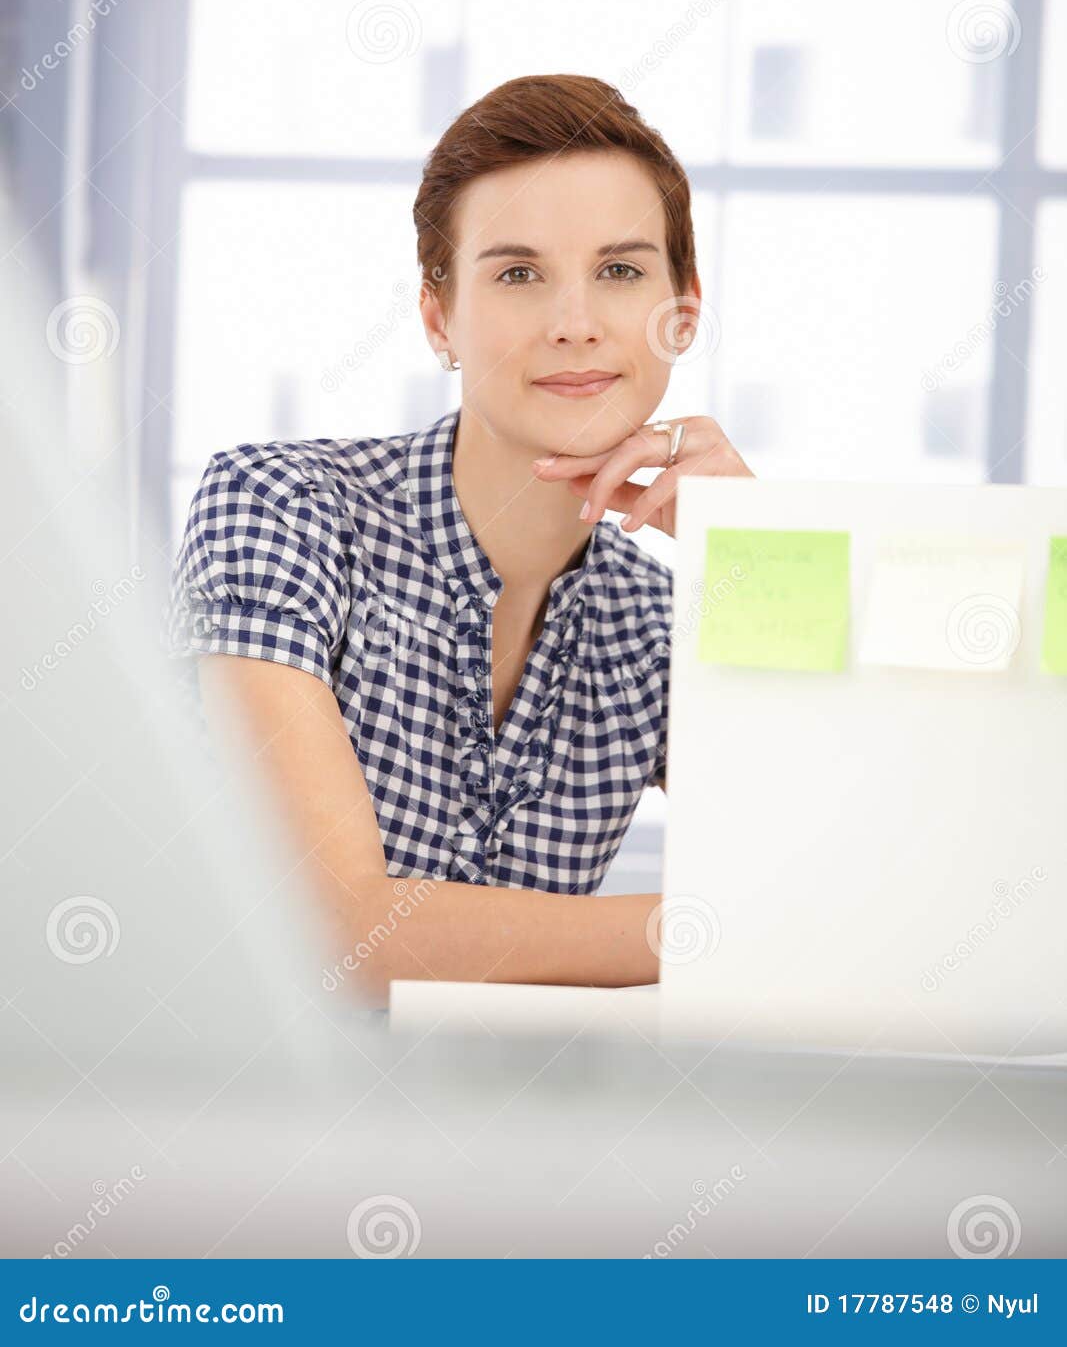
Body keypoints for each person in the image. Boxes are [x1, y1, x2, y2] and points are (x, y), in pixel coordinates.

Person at [161, 73, 753, 1009]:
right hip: (225, 1119)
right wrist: (720, 932)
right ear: (440, 318)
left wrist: (759, 555)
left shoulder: (653, 618)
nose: (575, 324)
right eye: (517, 274)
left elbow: (839, 870)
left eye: (621, 270)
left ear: (681, 312)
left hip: (506, 1134)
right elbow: (341, 930)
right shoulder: (281, 507)